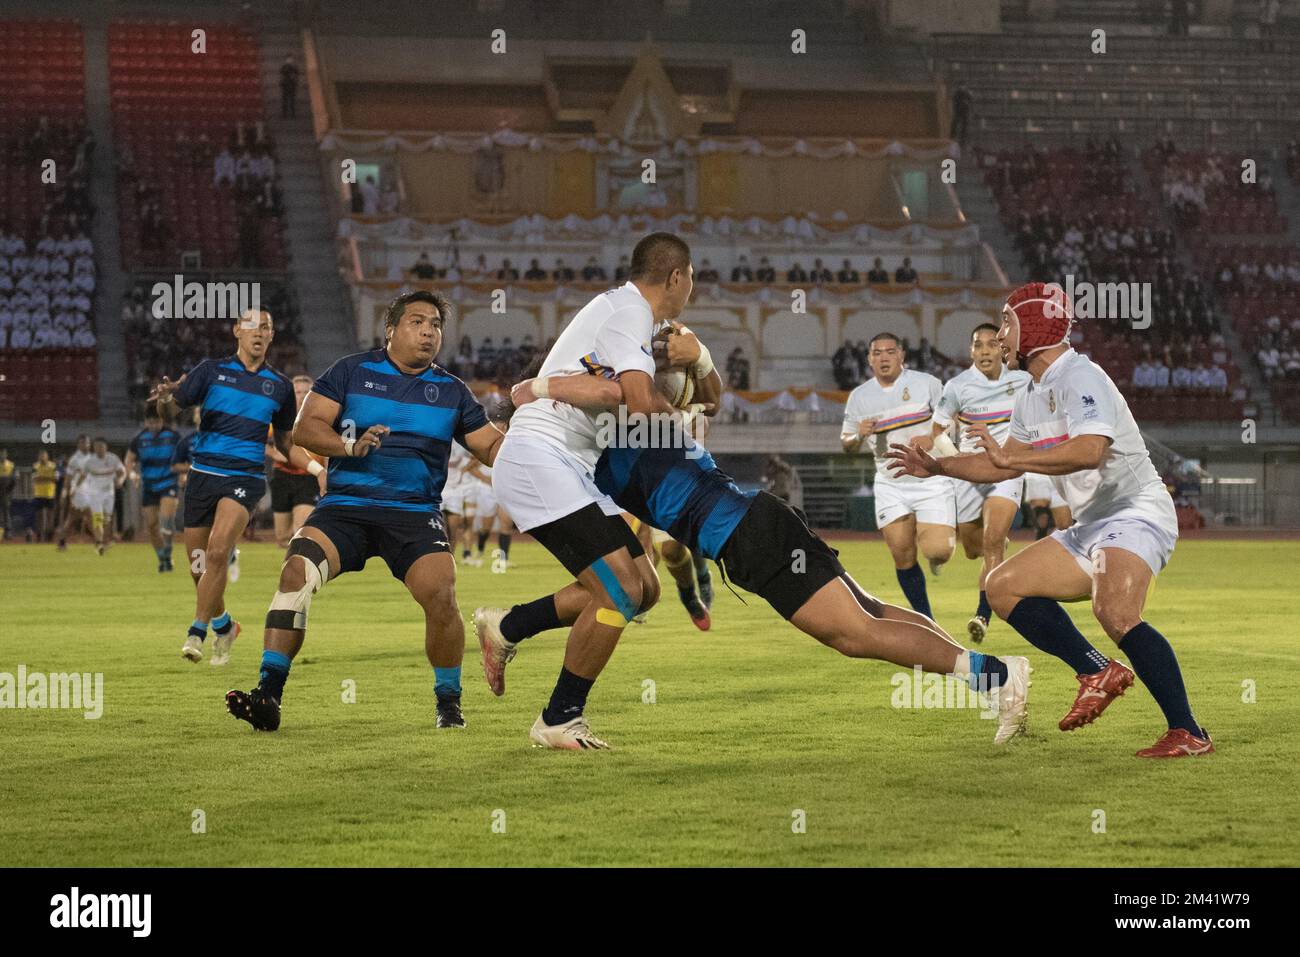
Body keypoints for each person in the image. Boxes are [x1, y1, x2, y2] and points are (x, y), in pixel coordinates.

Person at [476, 367, 1030, 748]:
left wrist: (538, 386)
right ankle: (1000, 676)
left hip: (749, 537)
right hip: (759, 524)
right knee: (873, 613)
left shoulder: (629, 424)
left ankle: (998, 677)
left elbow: (621, 391)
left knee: (854, 634)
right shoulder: (639, 429)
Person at [887, 281, 1212, 758]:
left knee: (1115, 611)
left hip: (1136, 510)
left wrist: (1012, 458)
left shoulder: (1081, 377)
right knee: (1001, 586)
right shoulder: (1032, 393)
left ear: (1034, 328)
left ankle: (1188, 732)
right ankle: (1096, 670)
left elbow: (1088, 450)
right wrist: (940, 466)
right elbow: (1001, 461)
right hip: (1093, 523)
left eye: (1006, 323)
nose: (999, 336)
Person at [224, 291, 504, 733]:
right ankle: (268, 694)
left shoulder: (452, 391)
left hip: (413, 514)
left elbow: (490, 447)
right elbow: (305, 429)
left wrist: (534, 434)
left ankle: (448, 704)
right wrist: (348, 447)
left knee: (442, 594)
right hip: (345, 509)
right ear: (390, 330)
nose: (428, 331)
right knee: (295, 574)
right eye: (417, 322)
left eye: (435, 324)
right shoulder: (351, 371)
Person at [481, 233, 690, 749]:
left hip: (569, 464)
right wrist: (682, 421)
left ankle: (509, 624)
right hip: (539, 457)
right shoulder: (629, 313)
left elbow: (613, 393)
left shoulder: (622, 314)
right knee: (618, 590)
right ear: (676, 276)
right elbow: (640, 404)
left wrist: (689, 368)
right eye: (690, 279)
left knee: (645, 589)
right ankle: (558, 718)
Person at [151, 309, 314, 666]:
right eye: (252, 326)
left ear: (271, 336)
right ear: (237, 331)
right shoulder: (210, 371)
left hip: (245, 479)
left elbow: (286, 445)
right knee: (198, 566)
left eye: (266, 327)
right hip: (202, 476)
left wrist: (318, 467)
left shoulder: (281, 386)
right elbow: (171, 410)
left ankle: (196, 631)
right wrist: (165, 398)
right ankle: (224, 626)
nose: (258, 332)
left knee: (217, 552)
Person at [927, 323, 1032, 643]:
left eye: (991, 344)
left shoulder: (1023, 379)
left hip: (1007, 471)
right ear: (971, 351)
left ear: (1001, 349)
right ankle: (995, 545)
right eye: (978, 345)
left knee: (991, 544)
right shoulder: (958, 386)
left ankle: (982, 615)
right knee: (973, 549)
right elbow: (937, 431)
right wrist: (958, 460)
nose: (985, 350)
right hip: (969, 474)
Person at [840, 333, 954, 619]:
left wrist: (931, 438)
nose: (883, 357)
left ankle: (937, 554)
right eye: (877, 353)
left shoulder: (926, 384)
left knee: (938, 551)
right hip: (890, 483)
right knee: (902, 555)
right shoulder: (859, 397)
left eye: (890, 351)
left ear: (902, 355)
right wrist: (858, 435)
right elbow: (846, 443)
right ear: (869, 359)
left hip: (930, 479)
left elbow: (952, 419)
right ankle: (926, 619)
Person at [267, 375, 326, 547]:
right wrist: (275, 453)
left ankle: (298, 569)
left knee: (300, 529)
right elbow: (258, 438)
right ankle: (287, 568)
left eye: (306, 392)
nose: (301, 396)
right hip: (282, 476)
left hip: (310, 477)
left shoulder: (322, 418)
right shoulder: (279, 417)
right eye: (297, 392)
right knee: (282, 537)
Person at [125, 405, 182, 572]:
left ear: (161, 421)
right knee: (151, 525)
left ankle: (169, 549)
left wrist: (184, 473)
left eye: (156, 422)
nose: (153, 425)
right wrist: (132, 475)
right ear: (145, 422)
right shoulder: (139, 439)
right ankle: (162, 558)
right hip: (149, 486)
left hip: (168, 483)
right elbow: (129, 460)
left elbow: (184, 454)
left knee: (166, 521)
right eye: (150, 422)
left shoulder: (173, 437)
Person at [81, 438, 127, 555]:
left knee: (107, 519)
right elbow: (82, 476)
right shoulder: (89, 461)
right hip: (95, 493)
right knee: (98, 518)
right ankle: (99, 542)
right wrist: (75, 489)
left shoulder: (113, 458)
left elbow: (122, 471)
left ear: (106, 447)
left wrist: (120, 480)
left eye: (101, 446)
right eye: (96, 447)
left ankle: (103, 541)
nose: (99, 449)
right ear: (94, 448)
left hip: (109, 493)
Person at [57, 434, 94, 550]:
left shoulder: (92, 458)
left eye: (87, 442)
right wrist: (64, 492)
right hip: (78, 491)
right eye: (83, 442)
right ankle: (99, 541)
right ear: (78, 444)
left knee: (73, 518)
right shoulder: (74, 459)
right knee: (89, 516)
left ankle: (62, 542)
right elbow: (68, 478)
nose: (85, 445)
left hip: (89, 491)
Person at [31, 449, 58, 542]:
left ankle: (49, 536)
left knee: (50, 516)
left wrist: (42, 477)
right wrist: (48, 478)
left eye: (44, 455)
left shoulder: (53, 466)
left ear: (47, 456)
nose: (42, 457)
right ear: (38, 457)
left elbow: (56, 478)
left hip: (50, 494)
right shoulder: (35, 466)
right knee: (40, 516)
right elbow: (34, 479)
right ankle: (39, 536)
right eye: (40, 455)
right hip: (38, 494)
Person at [0, 448, 13, 541]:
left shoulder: (11, 465)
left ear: (6, 454)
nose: (2, 456)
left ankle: (7, 532)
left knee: (6, 512)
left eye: (3, 454)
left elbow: (14, 480)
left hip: (6, 492)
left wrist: (9, 490)